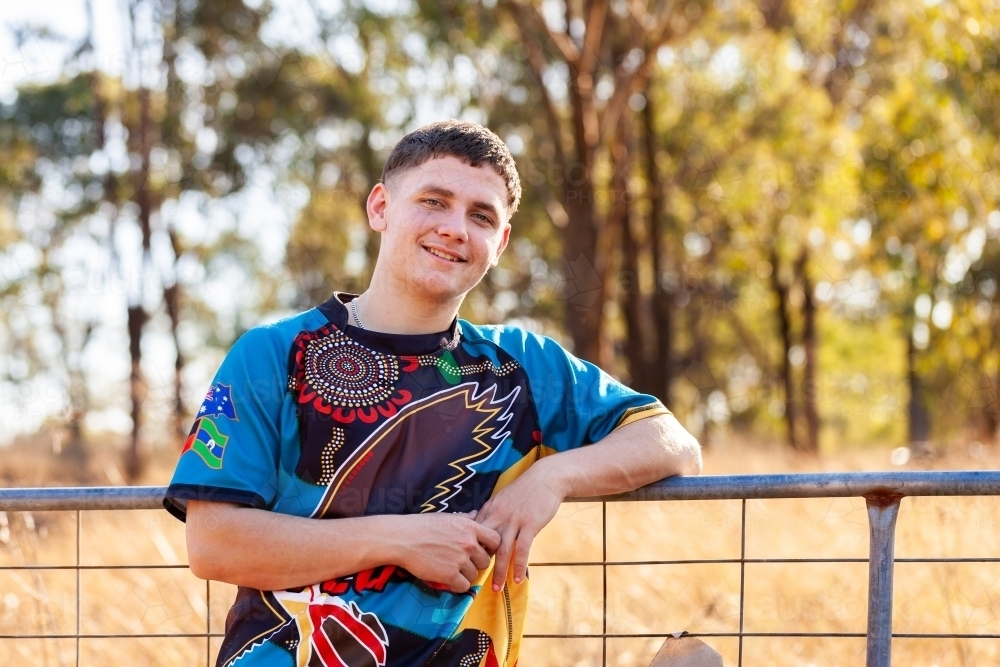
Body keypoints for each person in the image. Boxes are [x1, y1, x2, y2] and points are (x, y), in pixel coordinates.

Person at [164, 120, 702, 667]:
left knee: (694, 660)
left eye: (481, 216)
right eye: (434, 201)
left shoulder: (524, 367)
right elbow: (214, 543)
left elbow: (671, 441)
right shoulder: (274, 354)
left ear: (501, 243)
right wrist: (400, 539)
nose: (454, 229)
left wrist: (552, 477)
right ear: (380, 208)